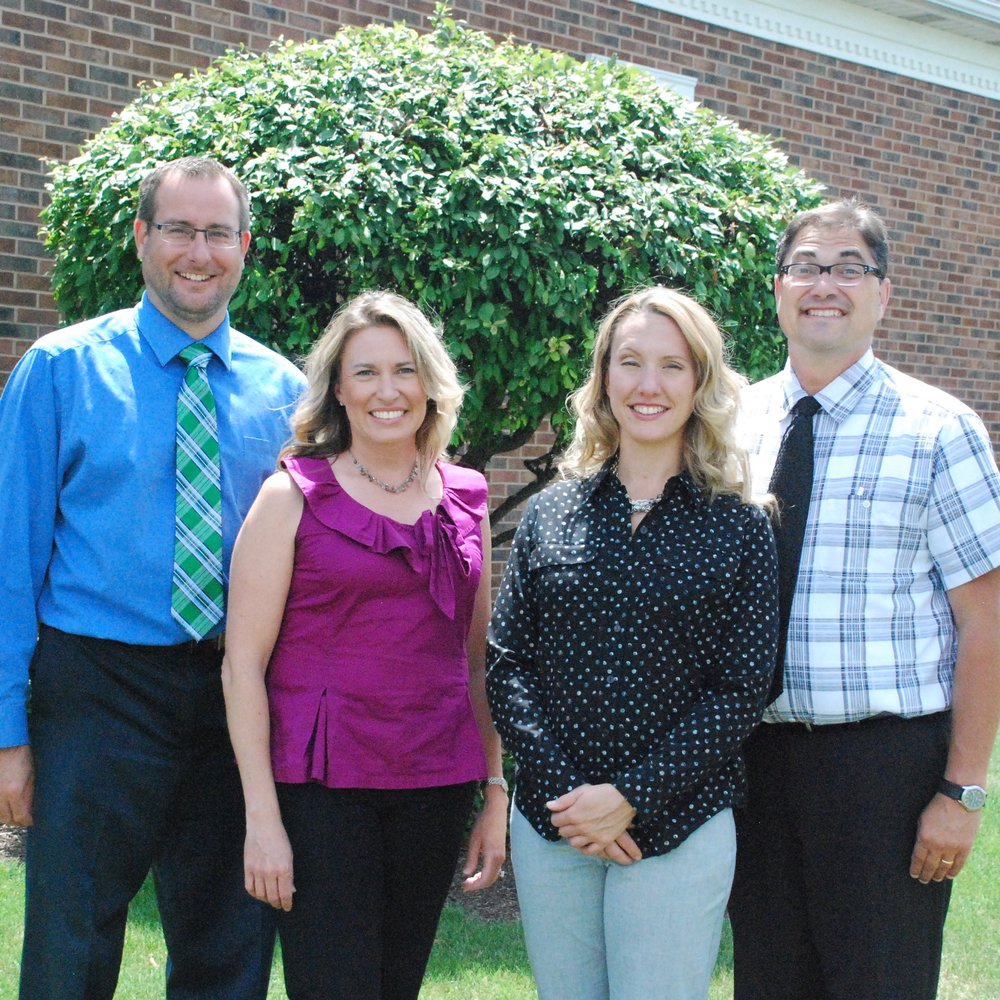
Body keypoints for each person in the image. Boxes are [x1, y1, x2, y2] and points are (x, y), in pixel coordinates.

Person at [0, 156, 306, 998]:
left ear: (244, 247)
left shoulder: (288, 392)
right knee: (71, 943)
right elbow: (8, 556)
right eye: (177, 228)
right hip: (95, 689)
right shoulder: (60, 370)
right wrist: (7, 735)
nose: (197, 252)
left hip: (234, 695)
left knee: (228, 945)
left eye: (217, 233)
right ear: (142, 239)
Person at [729, 199, 1000, 1000]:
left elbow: (986, 619)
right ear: (778, 289)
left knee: (879, 983)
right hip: (752, 763)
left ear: (884, 295)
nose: (826, 284)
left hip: (885, 768)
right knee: (768, 981)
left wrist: (962, 791)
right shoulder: (729, 423)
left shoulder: (939, 428)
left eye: (851, 268)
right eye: (808, 266)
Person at [486, 286, 779, 1000]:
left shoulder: (740, 525)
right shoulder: (553, 512)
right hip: (555, 827)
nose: (649, 385)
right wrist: (568, 795)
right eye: (631, 363)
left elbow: (744, 688)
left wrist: (631, 795)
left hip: (678, 826)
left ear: (702, 383)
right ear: (604, 378)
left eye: (672, 366)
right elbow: (508, 664)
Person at [221, 290, 507, 1000]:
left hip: (434, 783)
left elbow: (477, 665)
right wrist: (261, 819)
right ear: (338, 389)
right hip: (322, 791)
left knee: (396, 985)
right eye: (367, 372)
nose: (388, 391)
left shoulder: (467, 496)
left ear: (430, 383)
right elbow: (242, 667)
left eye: (405, 370)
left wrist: (496, 793)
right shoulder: (291, 495)